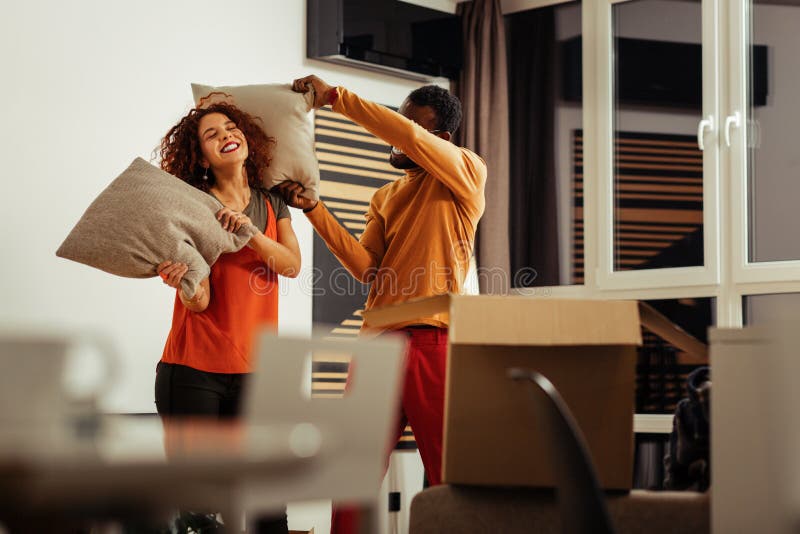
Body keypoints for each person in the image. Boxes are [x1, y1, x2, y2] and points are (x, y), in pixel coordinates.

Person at [277, 75, 487, 534]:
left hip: (435, 340)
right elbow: (365, 267)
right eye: (399, 116)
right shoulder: (385, 196)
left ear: (442, 139)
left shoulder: (467, 172)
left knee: (448, 479)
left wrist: (334, 97)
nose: (398, 130)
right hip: (374, 345)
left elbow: (406, 135)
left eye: (410, 122)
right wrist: (314, 208)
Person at [155, 100, 301, 534]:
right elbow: (200, 303)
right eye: (211, 135)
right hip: (193, 369)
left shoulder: (273, 203)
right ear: (200, 157)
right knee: (200, 510)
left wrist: (249, 233)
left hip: (259, 371)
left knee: (269, 506)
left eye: (229, 127)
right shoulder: (195, 206)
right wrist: (184, 281)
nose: (224, 135)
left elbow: (290, 264)